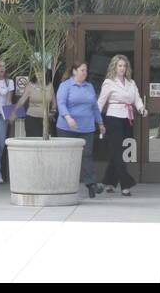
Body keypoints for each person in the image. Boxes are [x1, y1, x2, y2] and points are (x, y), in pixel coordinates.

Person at [97, 54, 147, 195]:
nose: (122, 68)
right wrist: (98, 120)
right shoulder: (109, 82)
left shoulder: (131, 83)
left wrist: (141, 108)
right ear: (114, 67)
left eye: (124, 66)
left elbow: (136, 99)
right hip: (113, 118)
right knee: (118, 152)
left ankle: (109, 182)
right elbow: (100, 102)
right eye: (120, 65)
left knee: (117, 152)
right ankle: (126, 183)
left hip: (127, 118)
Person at [56, 61, 105, 198]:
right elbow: (61, 103)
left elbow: (94, 107)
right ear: (74, 71)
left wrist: (100, 123)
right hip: (67, 127)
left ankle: (92, 185)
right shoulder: (66, 86)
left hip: (87, 127)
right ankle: (64, 185)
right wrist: (68, 117)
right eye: (82, 70)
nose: (85, 73)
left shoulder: (89, 87)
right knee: (67, 157)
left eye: (86, 70)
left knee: (87, 155)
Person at [10, 68, 56, 138]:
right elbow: (22, 100)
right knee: (33, 141)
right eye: (37, 72)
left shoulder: (50, 86)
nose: (39, 75)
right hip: (32, 118)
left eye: (41, 72)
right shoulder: (30, 86)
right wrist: (14, 111)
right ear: (34, 74)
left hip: (46, 119)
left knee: (45, 143)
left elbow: (54, 103)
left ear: (45, 73)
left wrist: (52, 113)